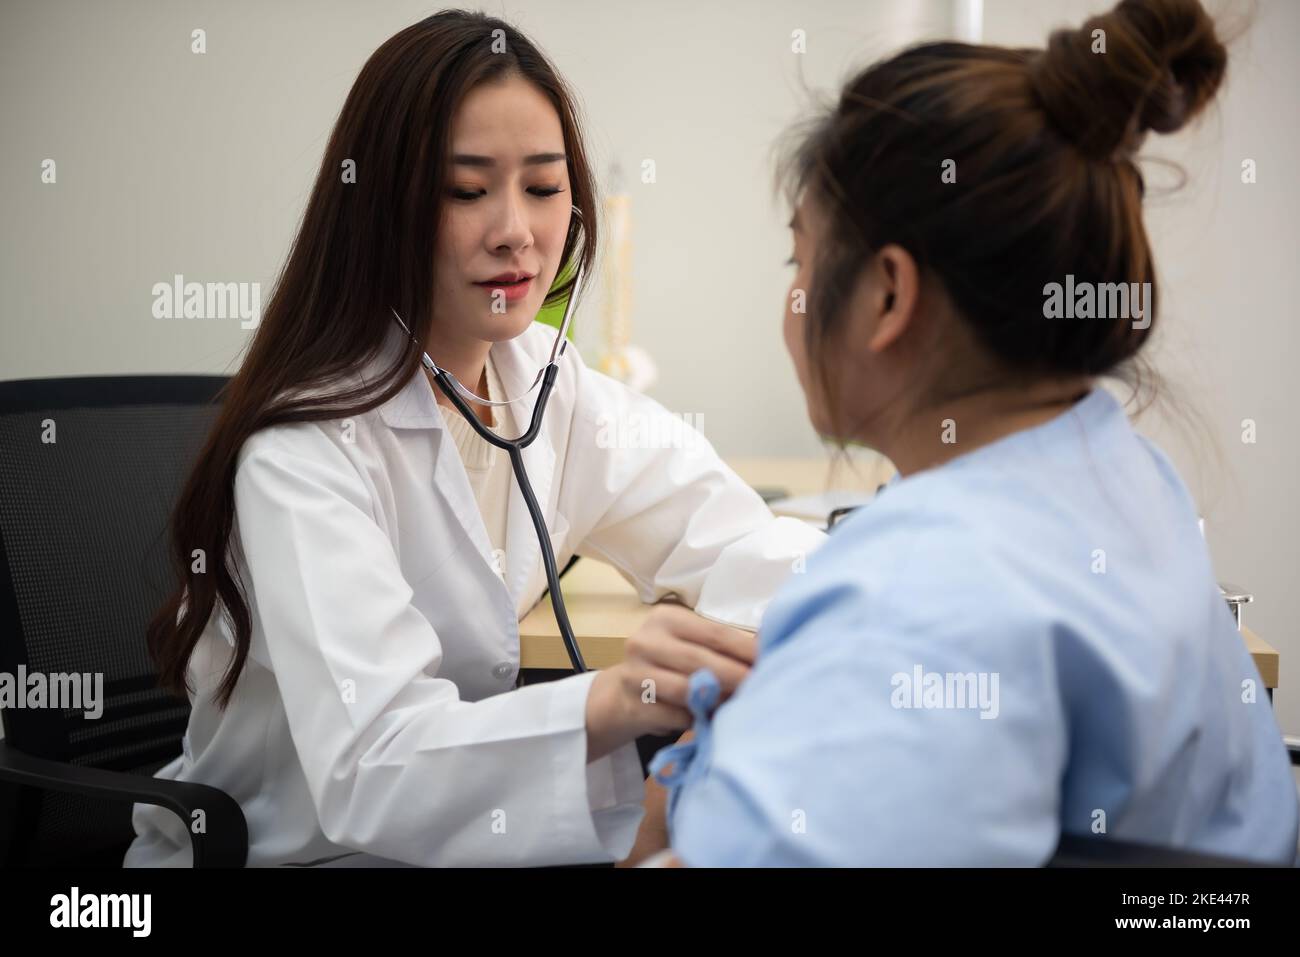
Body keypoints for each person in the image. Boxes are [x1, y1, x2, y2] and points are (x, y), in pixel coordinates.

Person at [125, 10, 821, 868]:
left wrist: (828, 595)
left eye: (541, 186)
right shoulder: (305, 451)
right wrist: (613, 697)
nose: (515, 231)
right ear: (381, 205)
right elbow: (374, 767)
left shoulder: (544, 384)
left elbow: (735, 536)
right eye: (466, 190)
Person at [640, 0, 1298, 866]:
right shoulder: (1124, 470)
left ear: (886, 295)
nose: (792, 300)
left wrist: (673, 787)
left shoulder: (916, 602)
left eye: (798, 262)